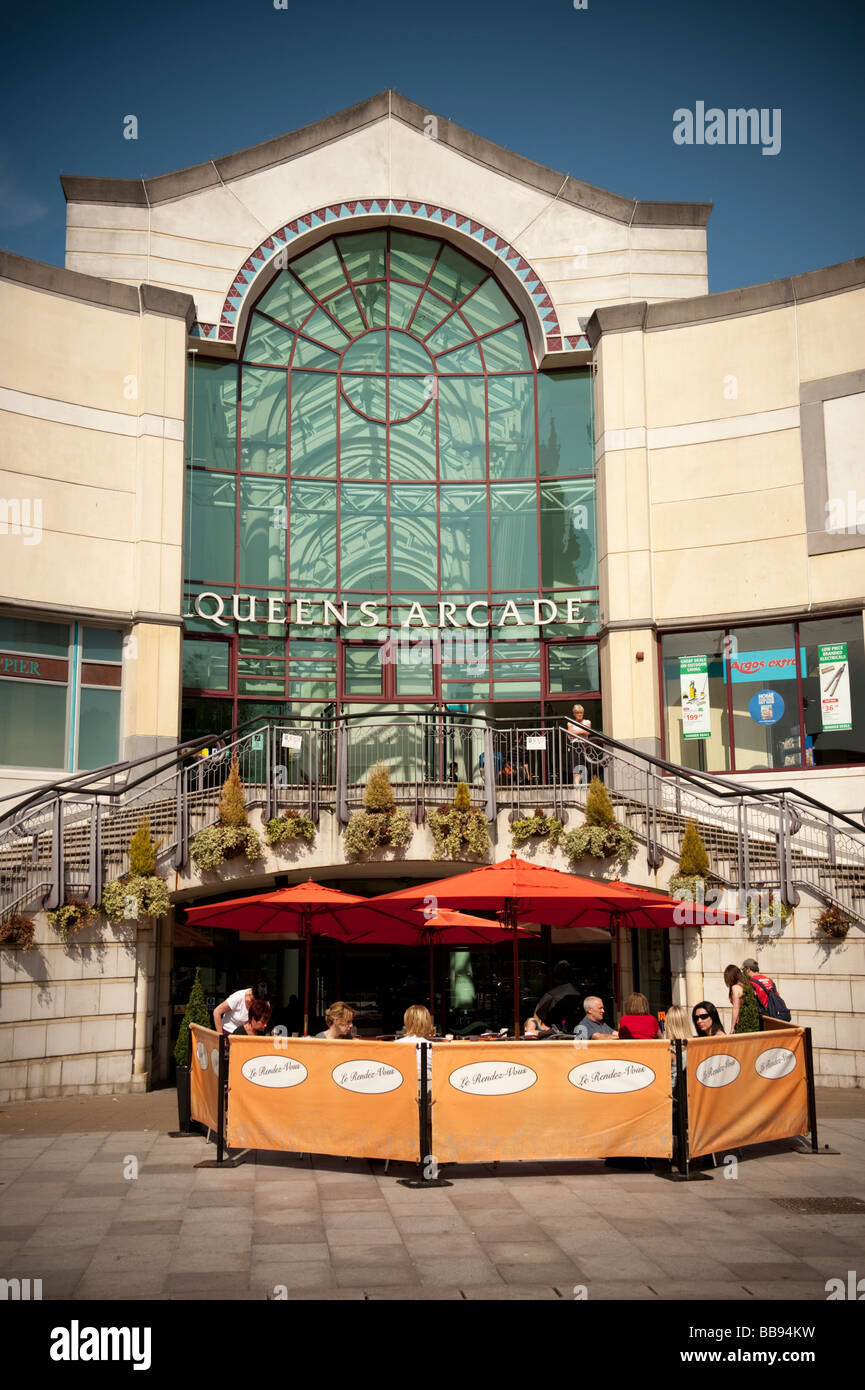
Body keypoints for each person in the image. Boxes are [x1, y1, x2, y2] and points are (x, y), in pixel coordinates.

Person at [535, 961, 581, 1032]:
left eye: (564, 971)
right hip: (554, 1028)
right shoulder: (552, 994)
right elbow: (539, 1015)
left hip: (566, 1026)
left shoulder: (552, 994)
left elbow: (539, 1014)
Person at [567, 703, 592, 787]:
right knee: (576, 765)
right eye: (577, 713)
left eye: (581, 712)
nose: (579, 714)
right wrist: (582, 730)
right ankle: (577, 785)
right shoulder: (570, 723)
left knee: (584, 764)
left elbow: (587, 732)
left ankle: (584, 785)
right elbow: (570, 734)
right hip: (575, 745)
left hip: (584, 745)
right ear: (574, 714)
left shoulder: (587, 721)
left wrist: (575, 732)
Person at [724, 965, 746, 1031]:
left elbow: (736, 1008)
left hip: (740, 1021)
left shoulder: (735, 988)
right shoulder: (744, 985)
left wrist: (732, 1027)